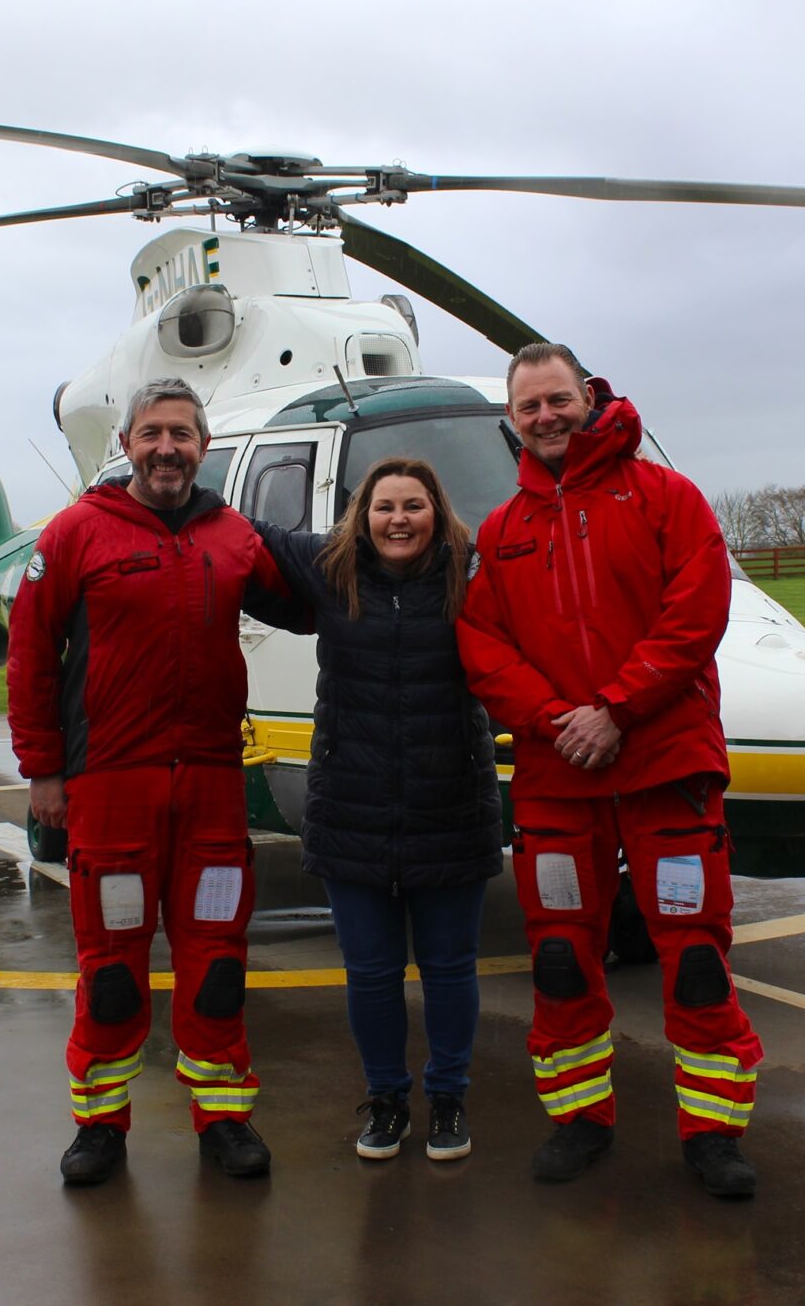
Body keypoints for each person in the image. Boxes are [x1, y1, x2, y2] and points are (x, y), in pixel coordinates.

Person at [456, 342, 764, 1197]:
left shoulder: (666, 497)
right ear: (512, 420)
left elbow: (696, 611)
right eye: (530, 408)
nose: (546, 417)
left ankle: (713, 1134)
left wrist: (616, 708)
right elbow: (483, 646)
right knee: (559, 956)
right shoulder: (503, 527)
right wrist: (559, 721)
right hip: (560, 775)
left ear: (588, 397)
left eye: (557, 400)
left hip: (664, 761)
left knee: (695, 955)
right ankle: (580, 1118)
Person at [7, 376, 299, 1187]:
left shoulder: (232, 534)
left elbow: (308, 593)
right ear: (128, 445)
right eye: (152, 433)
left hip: (208, 786)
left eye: (181, 433)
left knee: (216, 963)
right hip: (111, 791)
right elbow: (30, 656)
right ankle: (100, 1126)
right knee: (110, 968)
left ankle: (225, 1117)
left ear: (203, 447)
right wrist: (42, 769)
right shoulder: (75, 534)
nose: (166, 447)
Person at [249, 458, 503, 1162]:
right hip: (352, 807)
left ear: (437, 511)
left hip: (448, 805)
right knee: (370, 971)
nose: (398, 519)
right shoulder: (332, 570)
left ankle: (448, 1095)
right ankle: (387, 1096)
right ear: (361, 516)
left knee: (451, 967)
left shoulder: (472, 573)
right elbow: (256, 535)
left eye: (414, 506)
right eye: (384, 506)